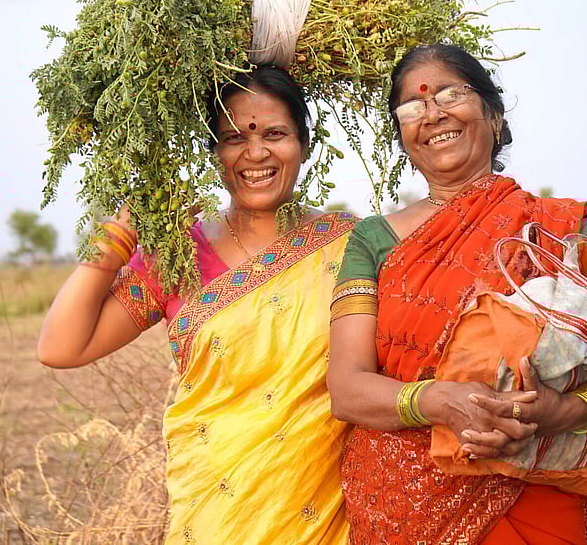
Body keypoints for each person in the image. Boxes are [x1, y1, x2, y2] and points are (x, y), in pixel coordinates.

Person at [326, 44, 587, 544]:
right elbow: (347, 388)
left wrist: (570, 411)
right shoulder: (373, 240)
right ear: (404, 138)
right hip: (399, 504)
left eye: (452, 94)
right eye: (412, 106)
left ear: (494, 116)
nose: (433, 113)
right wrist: (439, 401)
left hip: (534, 491)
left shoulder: (553, 225)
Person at [37, 66, 355, 544]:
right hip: (216, 510)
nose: (256, 152)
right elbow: (60, 348)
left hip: (327, 508)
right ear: (214, 152)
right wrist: (112, 245)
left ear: (306, 144)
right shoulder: (179, 256)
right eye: (233, 138)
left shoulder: (351, 245)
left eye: (275, 133)